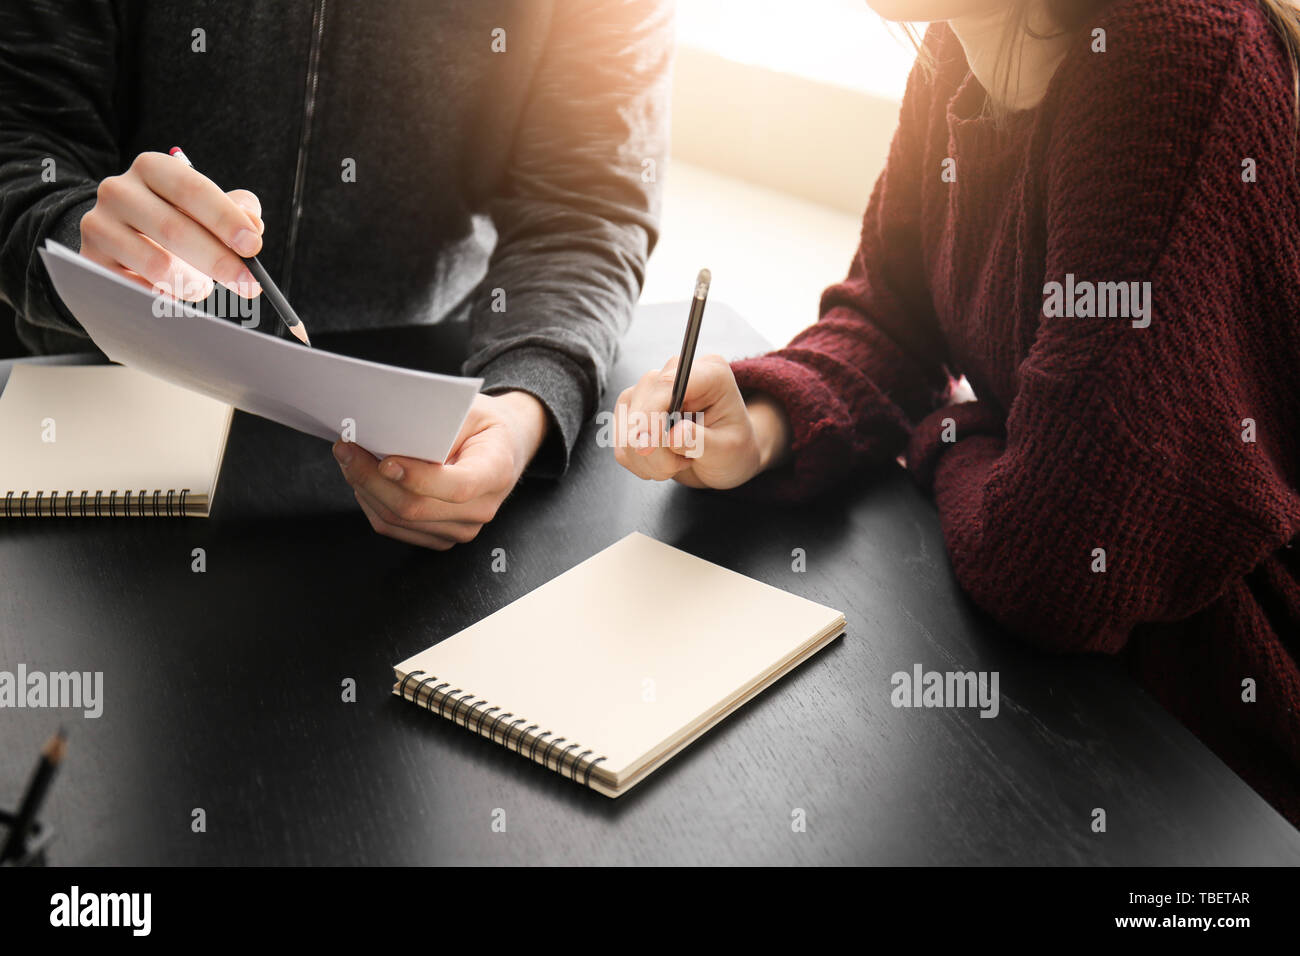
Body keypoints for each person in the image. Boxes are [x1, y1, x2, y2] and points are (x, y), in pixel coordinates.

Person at [615, 0, 1300, 826]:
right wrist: (760, 423)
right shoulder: (955, 39)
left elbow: (1053, 564)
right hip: (1076, 701)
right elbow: (891, 314)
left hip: (1220, 746)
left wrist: (949, 432)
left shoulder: (1167, 46)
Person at [0, 0, 672, 550]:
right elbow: (20, 141)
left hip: (424, 434)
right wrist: (71, 233)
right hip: (84, 432)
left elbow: (586, 206)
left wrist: (526, 400)